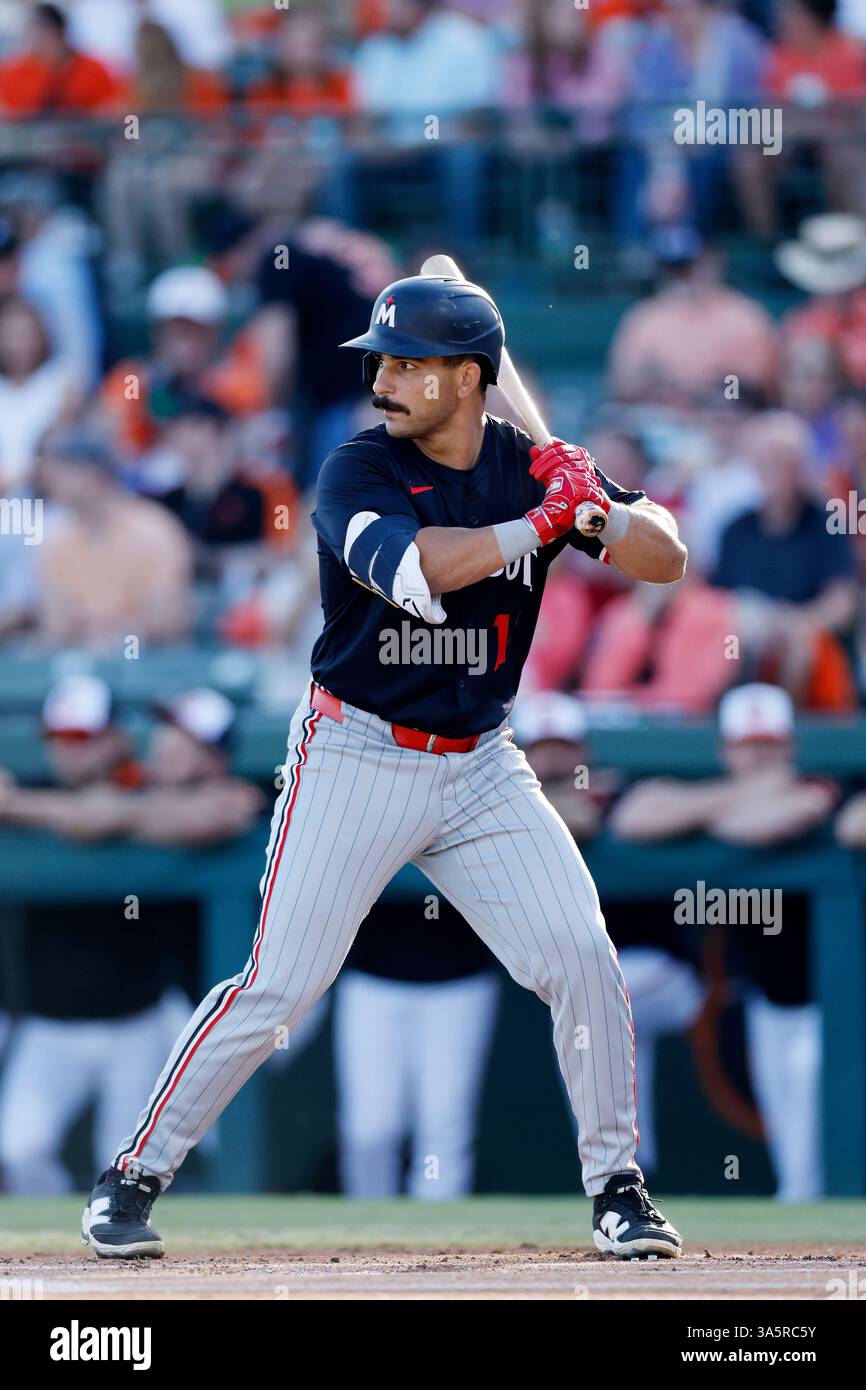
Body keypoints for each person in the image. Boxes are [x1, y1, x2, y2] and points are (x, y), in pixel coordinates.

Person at [81, 272, 687, 1262]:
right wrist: (542, 524)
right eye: (384, 359)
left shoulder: (530, 465)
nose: (387, 376)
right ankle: (135, 1173)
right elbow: (418, 575)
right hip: (356, 748)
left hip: (482, 764)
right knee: (278, 984)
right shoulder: (356, 469)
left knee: (579, 953)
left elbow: (669, 558)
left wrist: (604, 516)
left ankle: (617, 1187)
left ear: (468, 378)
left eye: (410, 362)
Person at [0, 679, 261, 1194]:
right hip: (50, 1021)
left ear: (115, 738)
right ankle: (55, 1251)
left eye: (84, 737)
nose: (70, 751)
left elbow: (218, 812)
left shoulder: (140, 785)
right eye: (61, 737)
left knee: (122, 1163)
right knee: (19, 1150)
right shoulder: (41, 781)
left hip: (141, 1014)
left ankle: (116, 1245)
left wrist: (39, 810)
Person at [610, 683, 837, 1200]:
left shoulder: (821, 785)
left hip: (832, 1002)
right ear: (726, 749)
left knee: (816, 1147)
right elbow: (633, 816)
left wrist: (718, 814)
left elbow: (779, 819)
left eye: (768, 744)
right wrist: (728, 801)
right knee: (793, 1156)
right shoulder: (713, 789)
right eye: (747, 745)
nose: (758, 756)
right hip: (765, 998)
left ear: (789, 747)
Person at [511, 691, 705, 1178]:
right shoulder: (504, 804)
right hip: (577, 970)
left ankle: (632, 1164)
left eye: (564, 746)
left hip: (666, 971)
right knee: (588, 1000)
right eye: (541, 747)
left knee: (610, 994)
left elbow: (588, 815)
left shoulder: (615, 790)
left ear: (584, 751)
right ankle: (623, 1165)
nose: (553, 758)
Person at [334, 894, 499, 1199]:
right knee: (369, 1129)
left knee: (444, 1125)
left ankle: (436, 1242)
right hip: (371, 973)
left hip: (462, 976)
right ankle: (366, 1234)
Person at [710, 411, 858, 708]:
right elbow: (716, 598)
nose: (775, 471)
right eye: (766, 461)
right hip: (747, 629)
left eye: (784, 461)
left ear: (801, 467)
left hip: (806, 633)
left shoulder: (826, 524)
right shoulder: (735, 529)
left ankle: (792, 725)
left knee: (800, 648)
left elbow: (843, 601)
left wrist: (799, 622)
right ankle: (727, 718)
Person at [36, 426, 193, 648]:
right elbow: (56, 625)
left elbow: (166, 621)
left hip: (152, 667)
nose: (53, 480)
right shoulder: (56, 542)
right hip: (82, 664)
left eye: (65, 470)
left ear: (97, 475)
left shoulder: (153, 530)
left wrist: (109, 630)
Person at [608, 228, 776, 407]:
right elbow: (621, 389)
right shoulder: (643, 318)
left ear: (714, 261)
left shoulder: (744, 316)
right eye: (673, 268)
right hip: (661, 420)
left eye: (688, 267)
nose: (682, 277)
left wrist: (705, 392)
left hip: (729, 418)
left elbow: (760, 387)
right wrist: (651, 384)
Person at [0, 296, 81, 494]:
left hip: (49, 496)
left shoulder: (63, 380)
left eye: (25, 334)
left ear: (41, 333)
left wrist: (20, 476)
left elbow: (59, 445)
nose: (17, 344)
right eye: (10, 335)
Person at [0, 2, 117, 116]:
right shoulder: (15, 72)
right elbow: (8, 112)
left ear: (61, 33)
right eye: (34, 34)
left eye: (45, 34)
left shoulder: (92, 69)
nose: (38, 41)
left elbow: (111, 109)